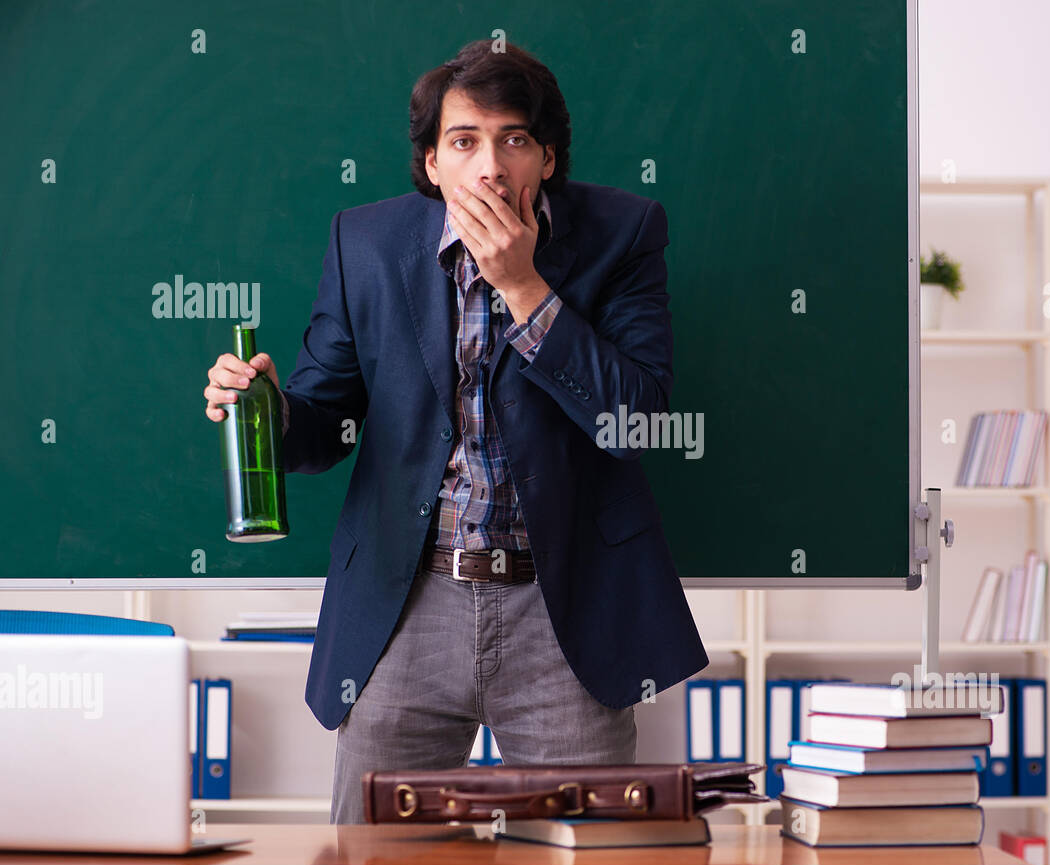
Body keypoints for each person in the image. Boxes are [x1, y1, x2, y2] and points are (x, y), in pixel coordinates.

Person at [202, 39, 708, 823]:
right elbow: (325, 427)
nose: (491, 167)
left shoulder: (626, 232)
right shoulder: (365, 243)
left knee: (594, 851)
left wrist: (524, 287)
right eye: (464, 141)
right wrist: (268, 408)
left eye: (514, 140)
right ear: (432, 163)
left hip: (563, 604)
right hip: (408, 604)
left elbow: (635, 421)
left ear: (546, 158)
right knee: (370, 855)